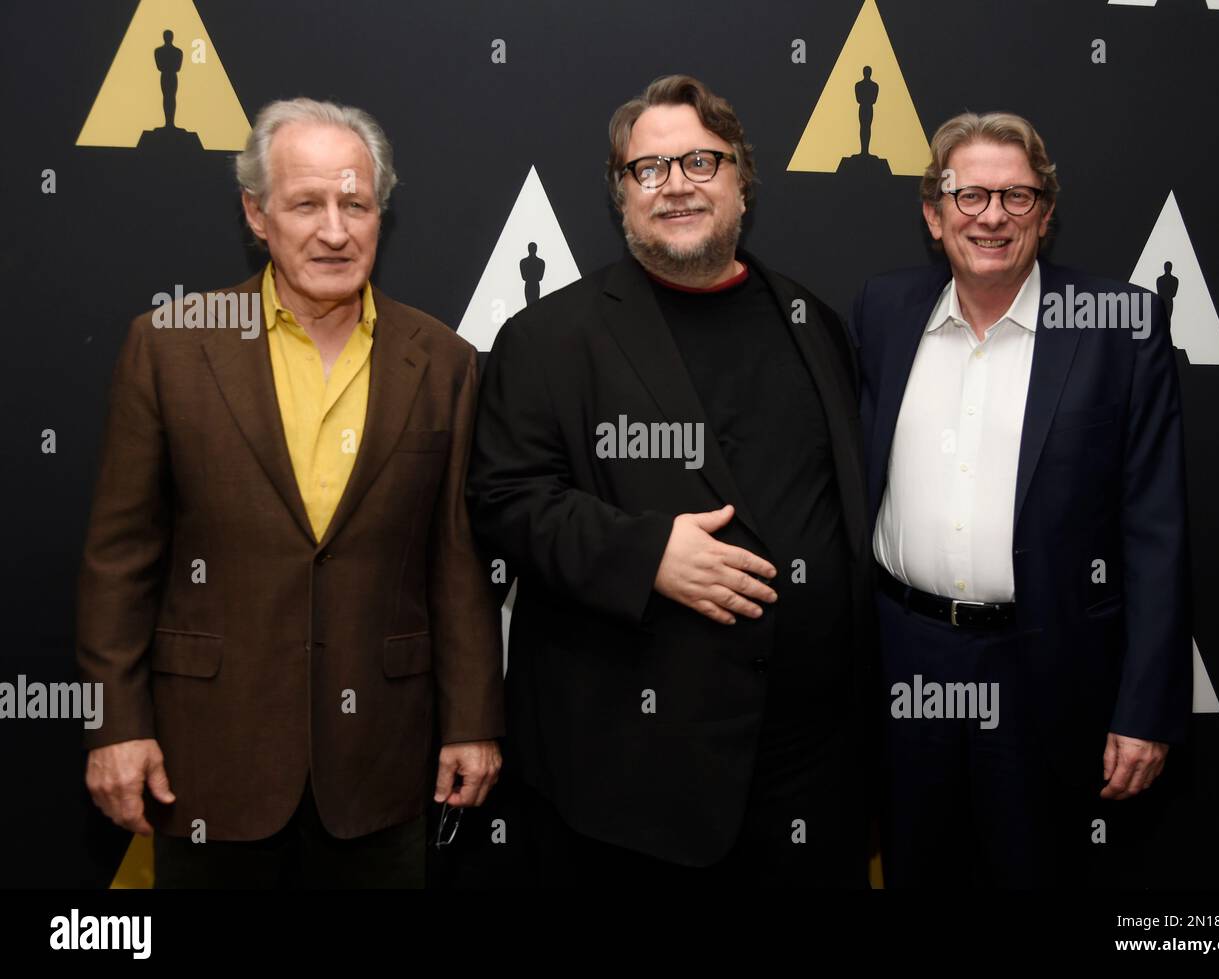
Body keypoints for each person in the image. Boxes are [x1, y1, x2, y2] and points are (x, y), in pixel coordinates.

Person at [77, 98, 503, 888]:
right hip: (208, 760)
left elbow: (458, 558)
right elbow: (119, 560)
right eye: (307, 203)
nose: (335, 231)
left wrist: (473, 720)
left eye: (357, 203)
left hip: (382, 762)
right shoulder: (168, 345)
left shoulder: (443, 360)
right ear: (256, 214)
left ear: (382, 213)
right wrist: (115, 725)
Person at [469, 75, 872, 886]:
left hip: (808, 773)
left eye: (699, 160)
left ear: (742, 178)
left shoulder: (811, 320)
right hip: (634, 783)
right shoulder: (548, 336)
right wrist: (647, 553)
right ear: (621, 193)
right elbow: (505, 501)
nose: (677, 184)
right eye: (648, 169)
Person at [851, 111, 1191, 886]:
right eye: (968, 196)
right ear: (934, 215)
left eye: (1017, 196)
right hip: (906, 654)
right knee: (915, 866)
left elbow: (1156, 530)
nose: (993, 216)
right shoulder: (883, 311)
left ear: (1046, 212)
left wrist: (1144, 708)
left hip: (1047, 665)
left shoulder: (1119, 326)